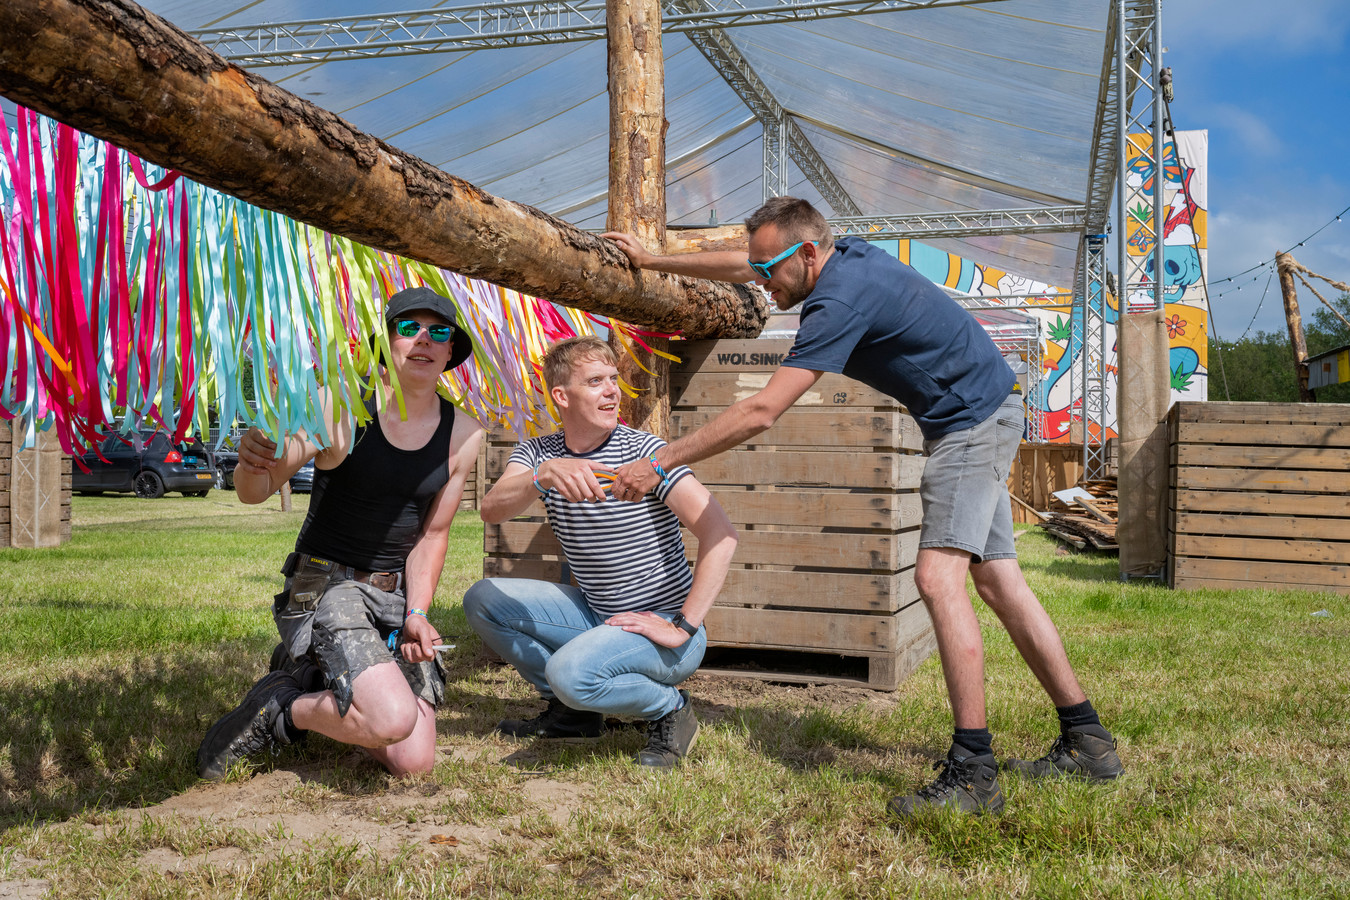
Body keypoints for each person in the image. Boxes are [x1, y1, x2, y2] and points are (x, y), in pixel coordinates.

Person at [602, 198, 1122, 814]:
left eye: (772, 270)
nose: (763, 282)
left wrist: (658, 460)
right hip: (984, 410)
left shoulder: (837, 302)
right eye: (762, 267)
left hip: (969, 425)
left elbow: (762, 411)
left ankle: (974, 772)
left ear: (809, 254)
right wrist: (654, 258)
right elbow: (746, 262)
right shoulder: (837, 258)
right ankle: (1087, 739)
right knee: (1001, 582)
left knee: (937, 580)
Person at [196, 286, 484, 780]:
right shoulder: (341, 406)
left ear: (451, 351)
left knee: (413, 762)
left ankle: (308, 676)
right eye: (408, 328)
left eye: (439, 332)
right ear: (385, 344)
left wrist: (416, 613)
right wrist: (251, 463)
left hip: (390, 598)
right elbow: (257, 489)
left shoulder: (464, 434)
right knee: (390, 718)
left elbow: (433, 536)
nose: (424, 340)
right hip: (325, 587)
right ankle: (280, 708)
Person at [463, 336, 738, 769]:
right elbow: (491, 508)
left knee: (570, 673)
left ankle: (670, 709)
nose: (612, 390)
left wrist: (683, 625)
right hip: (600, 616)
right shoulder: (539, 453)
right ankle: (573, 715)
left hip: (664, 630)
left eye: (613, 379)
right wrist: (545, 475)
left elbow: (721, 534)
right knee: (484, 599)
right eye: (595, 381)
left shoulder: (645, 454)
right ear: (561, 395)